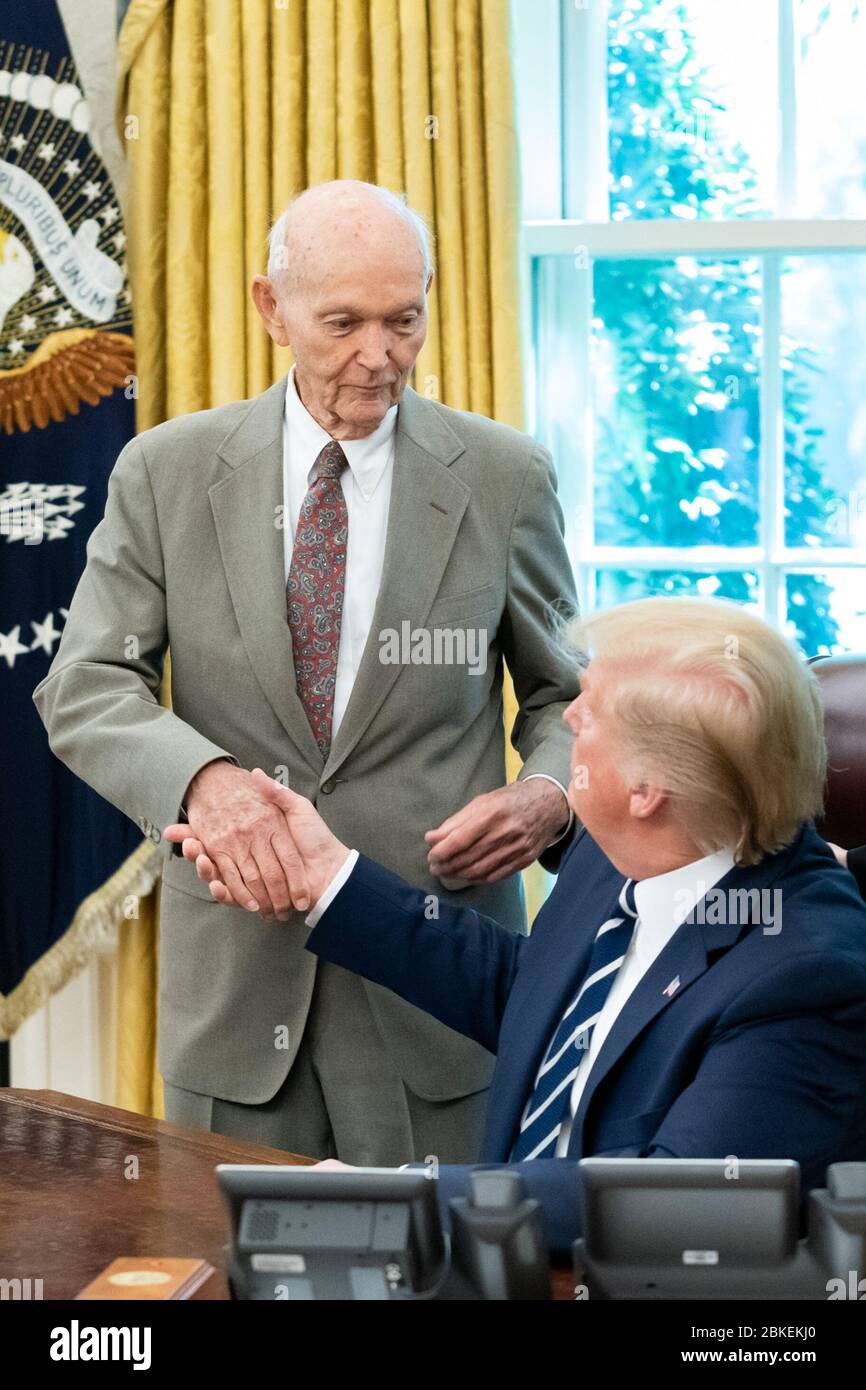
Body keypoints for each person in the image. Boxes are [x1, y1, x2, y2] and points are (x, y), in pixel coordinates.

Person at [33, 180, 580, 1166]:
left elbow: (567, 695)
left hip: (438, 993)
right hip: (238, 998)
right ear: (269, 308)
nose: (378, 356)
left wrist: (547, 791)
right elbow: (85, 685)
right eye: (342, 323)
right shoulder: (163, 472)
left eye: (402, 320)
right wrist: (205, 783)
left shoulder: (505, 478)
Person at [169, 596, 866, 1256]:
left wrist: (394, 1197)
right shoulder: (621, 849)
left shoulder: (807, 970)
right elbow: (536, 996)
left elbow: (684, 1197)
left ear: (647, 789)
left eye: (590, 711)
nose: (567, 721)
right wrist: (329, 880)